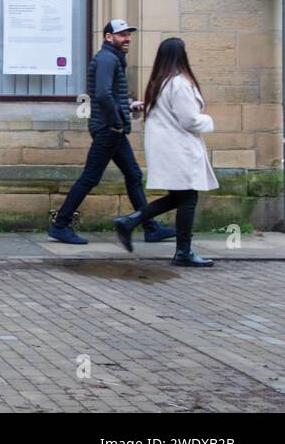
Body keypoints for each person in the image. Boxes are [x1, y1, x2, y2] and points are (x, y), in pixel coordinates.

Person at [48, 19, 177, 245]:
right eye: (122, 35)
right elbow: (102, 95)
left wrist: (127, 105)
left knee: (134, 175)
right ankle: (60, 225)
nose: (127, 39)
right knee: (90, 178)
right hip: (109, 130)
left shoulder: (112, 58)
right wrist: (117, 123)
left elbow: (109, 96)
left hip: (111, 128)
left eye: (128, 35)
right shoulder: (107, 59)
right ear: (109, 37)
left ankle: (149, 226)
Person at [112, 38, 218, 266]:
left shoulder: (160, 82)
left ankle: (130, 221)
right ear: (182, 55)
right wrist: (208, 120)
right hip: (180, 149)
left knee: (178, 198)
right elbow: (189, 120)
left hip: (169, 150)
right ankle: (183, 253)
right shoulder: (179, 83)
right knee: (188, 198)